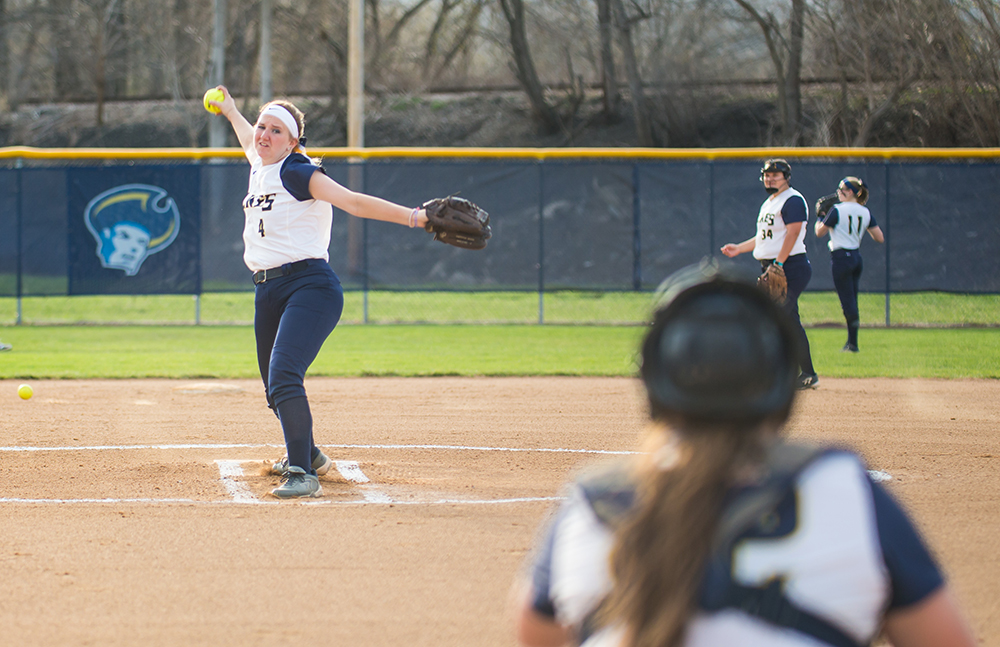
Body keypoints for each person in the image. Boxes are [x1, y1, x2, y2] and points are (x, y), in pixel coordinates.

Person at [513, 260, 975, 647]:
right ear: (778, 386)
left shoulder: (591, 505)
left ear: (655, 383)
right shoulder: (846, 491)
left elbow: (534, 633)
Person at [208, 86, 432, 499]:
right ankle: (309, 455)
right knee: (273, 387)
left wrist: (415, 217)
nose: (263, 135)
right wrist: (232, 111)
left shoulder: (298, 170)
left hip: (309, 286)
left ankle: (301, 474)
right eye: (263, 127)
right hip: (267, 290)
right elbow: (246, 139)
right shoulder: (261, 163)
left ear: (293, 141)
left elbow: (353, 203)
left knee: (284, 374)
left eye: (276, 131)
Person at [721, 159, 818, 390]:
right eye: (767, 174)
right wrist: (740, 248)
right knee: (788, 320)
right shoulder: (770, 203)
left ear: (786, 177)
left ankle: (779, 372)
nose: (770, 178)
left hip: (789, 267)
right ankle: (806, 374)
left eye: (776, 174)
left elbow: (793, 233)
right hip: (773, 266)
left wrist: (778, 263)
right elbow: (764, 238)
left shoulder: (793, 200)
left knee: (774, 319)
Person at [814, 177, 885, 353]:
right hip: (856, 257)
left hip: (841, 258)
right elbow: (879, 237)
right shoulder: (865, 211)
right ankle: (852, 342)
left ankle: (852, 344)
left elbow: (819, 232)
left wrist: (821, 216)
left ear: (850, 191)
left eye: (841, 188)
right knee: (852, 299)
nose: (838, 192)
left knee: (847, 302)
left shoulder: (837, 210)